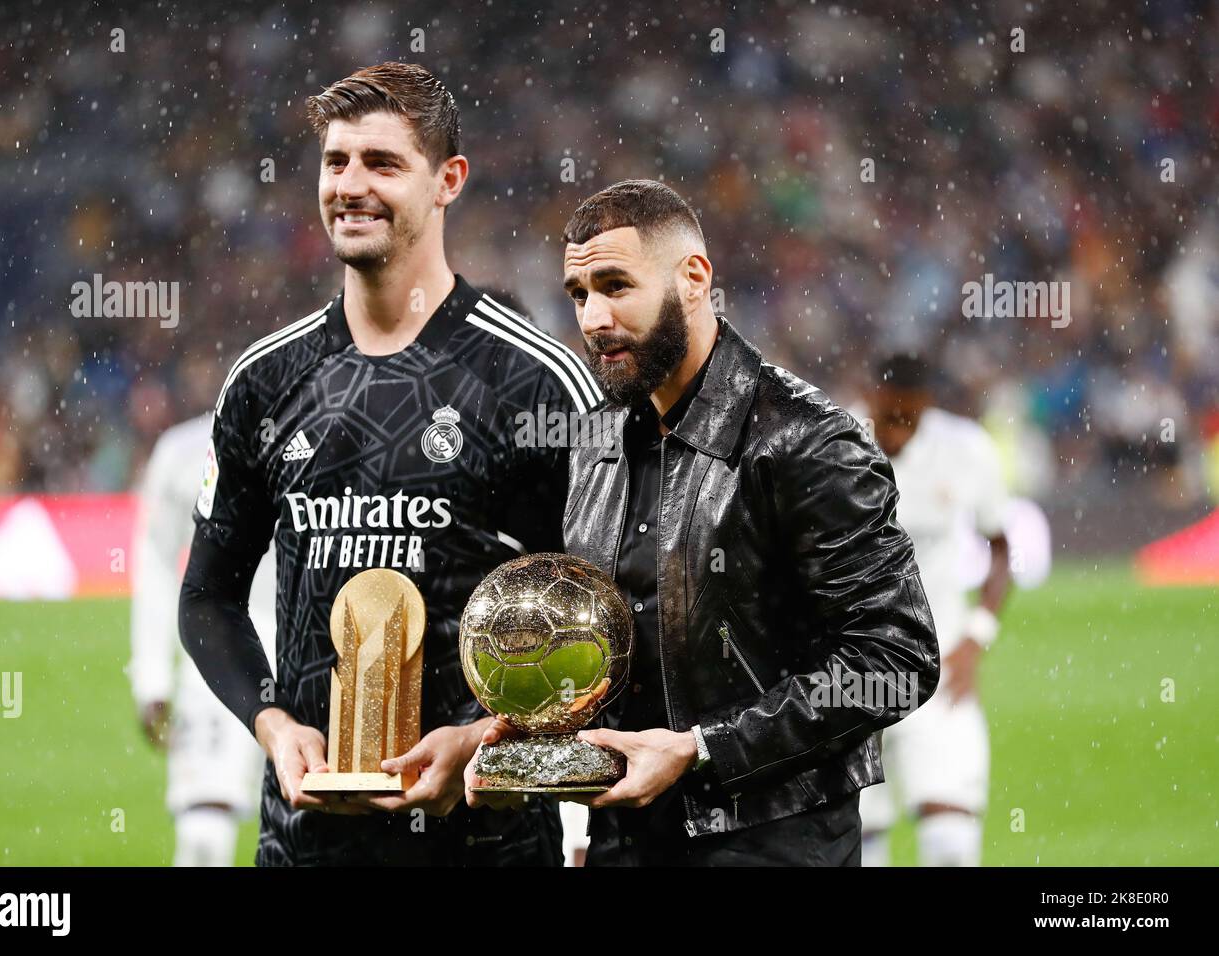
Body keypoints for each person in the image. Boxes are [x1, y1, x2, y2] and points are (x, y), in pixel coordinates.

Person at [179, 62, 599, 865]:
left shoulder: (535, 384)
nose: (350, 185)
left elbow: (607, 627)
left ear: (448, 180)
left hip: (489, 842)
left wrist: (485, 739)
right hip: (306, 846)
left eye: (383, 163)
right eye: (336, 162)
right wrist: (275, 724)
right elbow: (208, 597)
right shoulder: (264, 381)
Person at [468, 178, 940, 866]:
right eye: (579, 295)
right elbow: (626, 663)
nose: (593, 317)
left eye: (615, 285)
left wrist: (702, 749)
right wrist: (533, 744)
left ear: (693, 279)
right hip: (622, 842)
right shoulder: (594, 442)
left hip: (774, 846)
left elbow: (895, 658)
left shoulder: (806, 440)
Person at [856, 353, 1013, 867]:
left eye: (908, 418)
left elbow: (1001, 546)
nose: (896, 430)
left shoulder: (965, 449)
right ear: (871, 400)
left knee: (951, 845)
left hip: (940, 669)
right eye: (889, 417)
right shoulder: (834, 438)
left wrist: (976, 636)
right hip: (851, 677)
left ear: (926, 405)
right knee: (859, 845)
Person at [129, 412, 277, 866]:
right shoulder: (182, 451)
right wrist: (152, 676)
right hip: (221, 656)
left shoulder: (335, 425)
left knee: (318, 830)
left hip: (315, 656)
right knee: (203, 831)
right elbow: (155, 558)